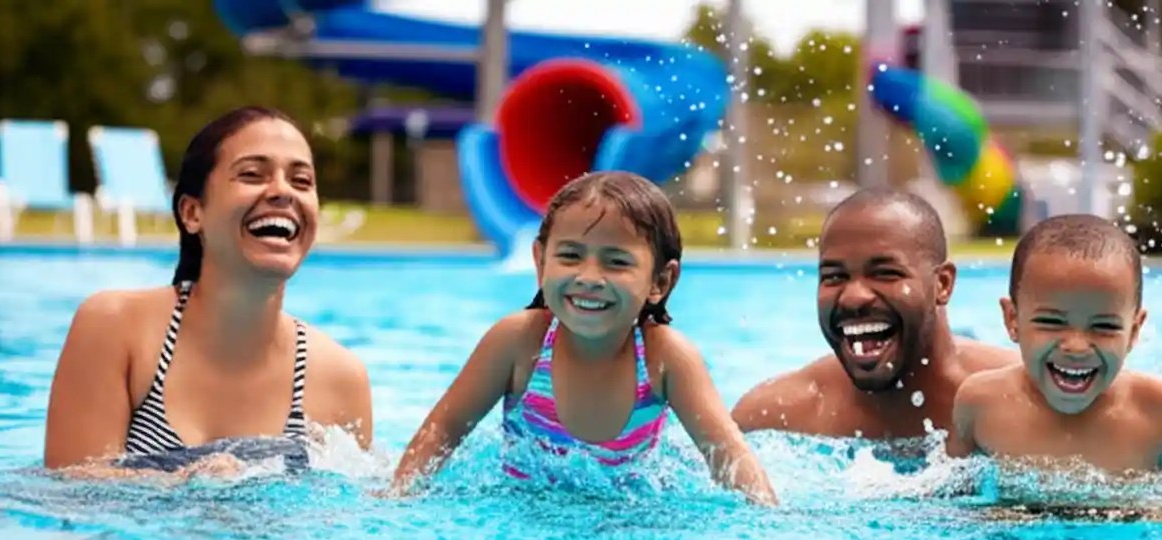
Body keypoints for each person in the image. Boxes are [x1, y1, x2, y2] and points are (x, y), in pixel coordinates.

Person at [389, 171, 777, 505]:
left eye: (617, 261)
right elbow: (443, 428)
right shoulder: (519, 342)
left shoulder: (664, 357)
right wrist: (399, 496)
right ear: (541, 262)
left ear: (660, 281)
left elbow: (729, 454)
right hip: (526, 514)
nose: (589, 277)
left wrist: (767, 516)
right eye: (571, 256)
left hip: (629, 520)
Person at [44, 106, 372, 475]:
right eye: (252, 174)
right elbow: (69, 488)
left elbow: (351, 503)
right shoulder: (115, 328)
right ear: (192, 213)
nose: (283, 191)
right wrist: (185, 484)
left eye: (301, 181)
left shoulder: (340, 378)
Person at [947, 214, 1162, 475]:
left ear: (1133, 331)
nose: (1077, 347)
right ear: (1012, 320)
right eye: (1051, 322)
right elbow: (952, 493)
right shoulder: (980, 403)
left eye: (1104, 327)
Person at [732, 187, 1016, 446]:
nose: (853, 298)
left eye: (885, 273)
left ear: (942, 284)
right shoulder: (774, 418)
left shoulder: (1018, 402)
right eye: (834, 276)